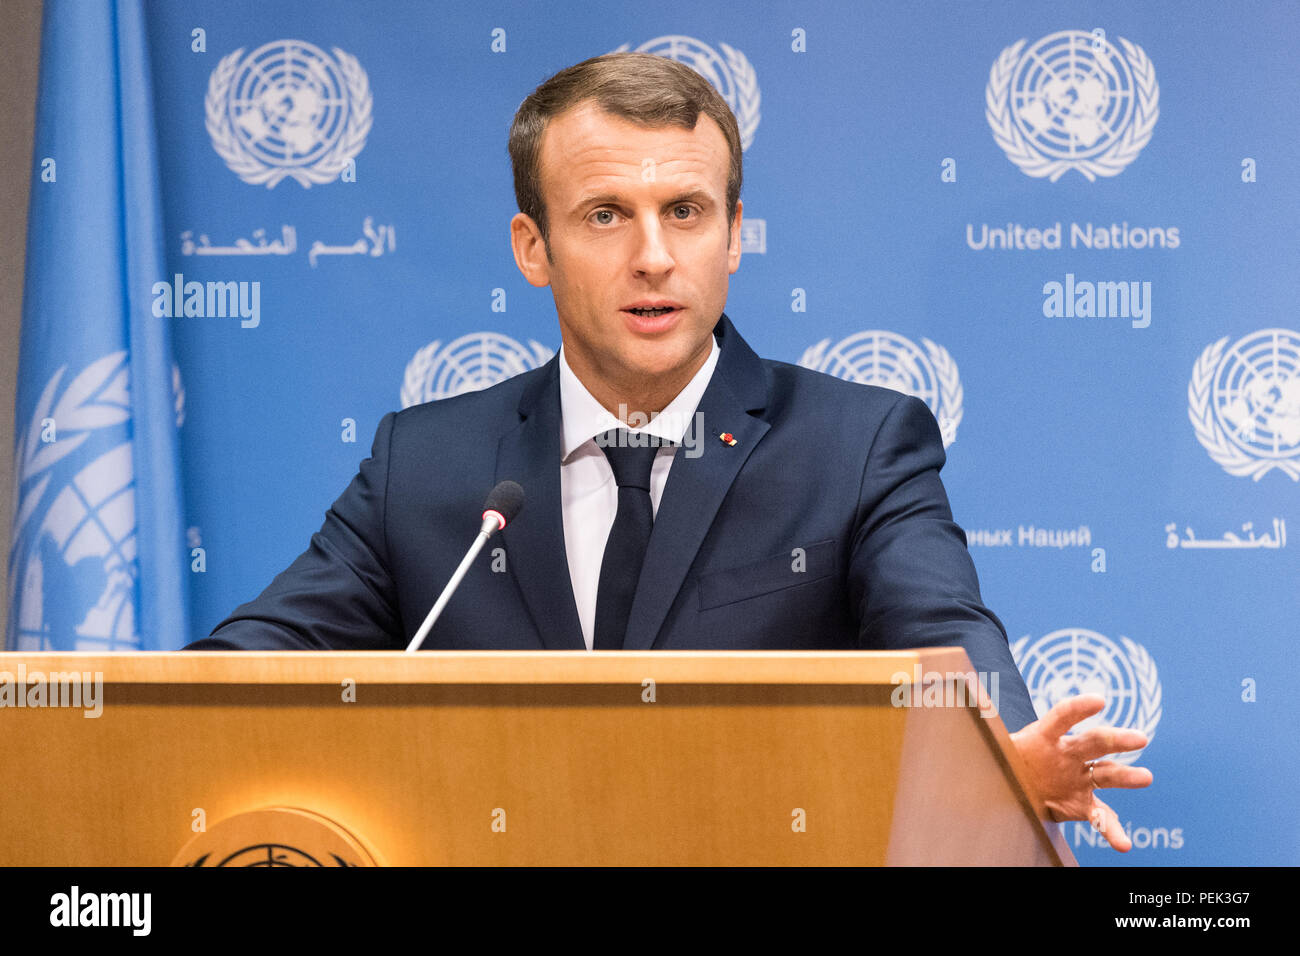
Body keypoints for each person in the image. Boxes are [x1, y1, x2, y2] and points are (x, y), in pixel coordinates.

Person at [187, 52, 1151, 850]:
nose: (654, 255)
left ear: (733, 235)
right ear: (533, 248)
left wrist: (999, 748)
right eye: (606, 215)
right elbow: (237, 682)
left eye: (686, 212)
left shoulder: (856, 447)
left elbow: (943, 633)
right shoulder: (427, 465)